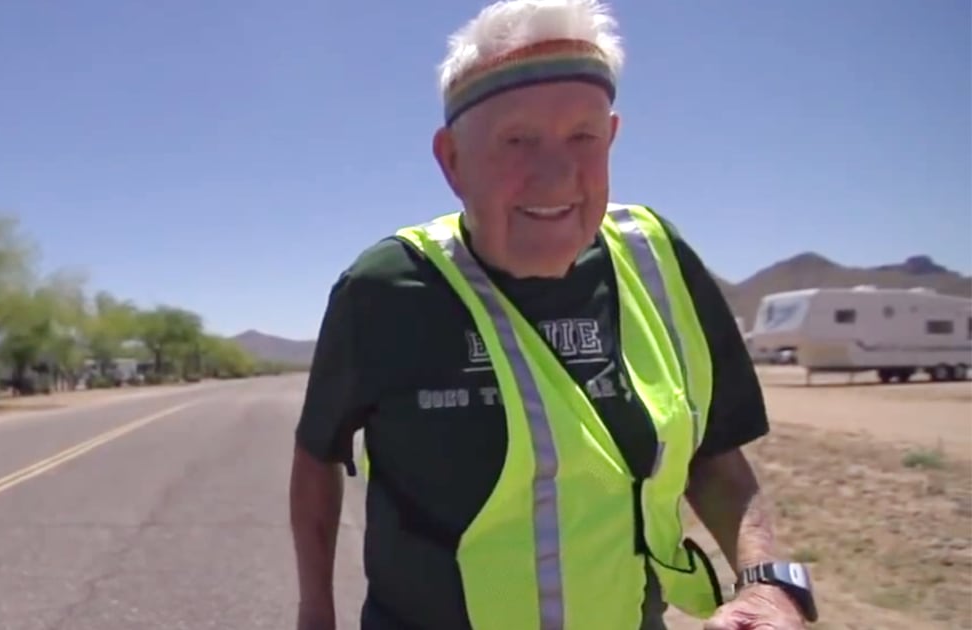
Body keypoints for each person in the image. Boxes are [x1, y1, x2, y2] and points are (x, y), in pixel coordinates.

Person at [289, 1, 818, 628]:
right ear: (452, 161)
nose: (557, 174)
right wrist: (315, 611)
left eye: (583, 138)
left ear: (613, 138)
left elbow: (716, 454)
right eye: (519, 140)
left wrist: (763, 581)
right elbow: (318, 454)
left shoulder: (658, 263)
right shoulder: (386, 288)